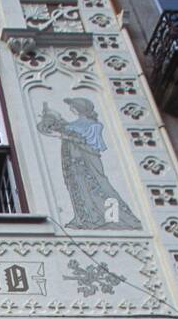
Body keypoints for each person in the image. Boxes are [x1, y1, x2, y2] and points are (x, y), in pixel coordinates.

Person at [38, 97, 141, 230]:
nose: (71, 109)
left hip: (86, 163)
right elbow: (58, 127)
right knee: (78, 188)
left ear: (79, 108)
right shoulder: (74, 124)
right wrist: (52, 116)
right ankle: (85, 218)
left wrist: (62, 135)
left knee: (97, 186)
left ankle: (112, 218)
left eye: (73, 106)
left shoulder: (93, 126)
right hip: (73, 163)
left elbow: (88, 143)